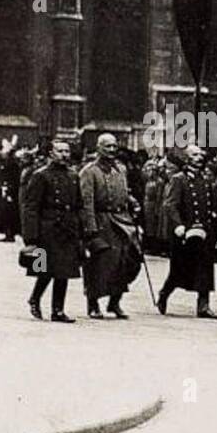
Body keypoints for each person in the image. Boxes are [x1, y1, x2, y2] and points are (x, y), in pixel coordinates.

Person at [78, 132, 141, 319]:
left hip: (122, 221)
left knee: (127, 261)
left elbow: (124, 191)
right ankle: (93, 303)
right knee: (99, 264)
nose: (112, 150)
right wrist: (90, 229)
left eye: (114, 146)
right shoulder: (89, 171)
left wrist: (133, 202)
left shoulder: (121, 169)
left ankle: (115, 302)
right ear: (99, 147)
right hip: (101, 220)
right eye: (108, 146)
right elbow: (86, 202)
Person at [21, 138, 83, 322]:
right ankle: (35, 298)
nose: (64, 155)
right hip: (48, 229)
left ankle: (58, 310)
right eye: (60, 151)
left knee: (63, 271)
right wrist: (31, 237)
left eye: (67, 151)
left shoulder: (73, 176)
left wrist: (80, 229)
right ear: (51, 154)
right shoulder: (41, 176)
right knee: (46, 270)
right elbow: (31, 207)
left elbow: (78, 204)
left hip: (67, 228)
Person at [157, 143, 217, 318]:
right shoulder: (179, 179)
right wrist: (178, 225)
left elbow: (213, 209)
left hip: (205, 231)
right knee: (179, 269)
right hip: (185, 231)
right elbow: (170, 205)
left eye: (200, 155)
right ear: (186, 159)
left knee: (206, 268)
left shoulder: (207, 179)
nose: (199, 158)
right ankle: (164, 293)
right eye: (194, 155)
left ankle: (203, 306)